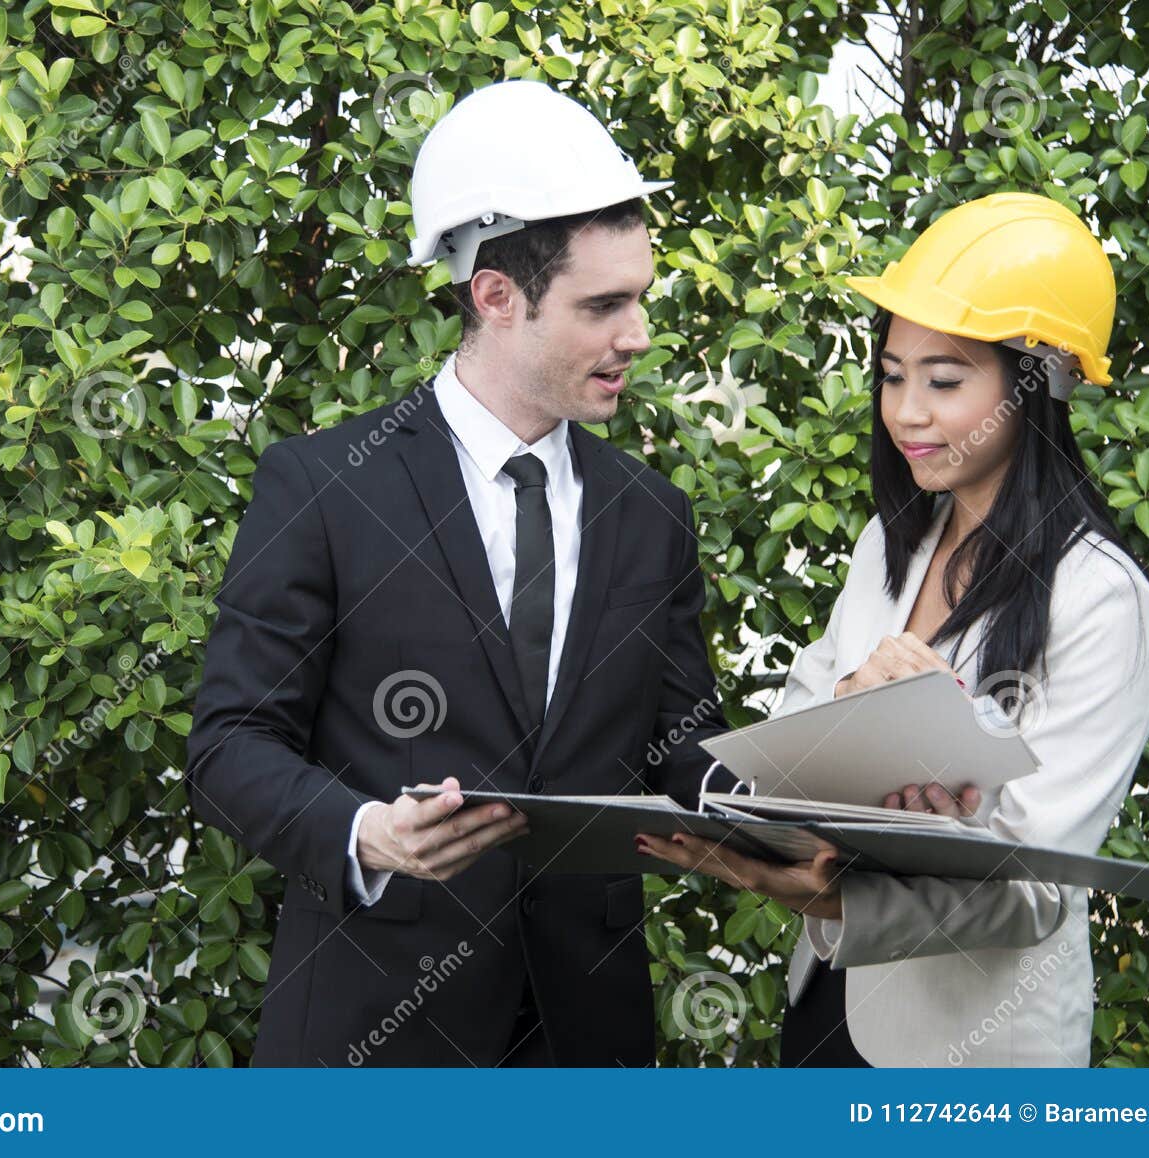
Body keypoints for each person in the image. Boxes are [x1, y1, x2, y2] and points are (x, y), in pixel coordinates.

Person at [186, 79, 738, 1067]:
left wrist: (837, 785)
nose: (637, 337)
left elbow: (680, 751)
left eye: (639, 300)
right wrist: (364, 832)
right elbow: (229, 746)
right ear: (494, 296)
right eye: (603, 306)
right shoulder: (323, 489)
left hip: (585, 1047)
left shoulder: (651, 515)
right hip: (371, 1039)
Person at [640, 192, 1149, 1067]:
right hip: (826, 1007)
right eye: (892, 374)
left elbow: (1035, 884)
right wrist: (854, 710)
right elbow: (791, 738)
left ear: (1038, 383)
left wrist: (843, 895)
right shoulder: (892, 543)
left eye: (945, 379)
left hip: (965, 1047)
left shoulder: (1101, 600)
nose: (906, 411)